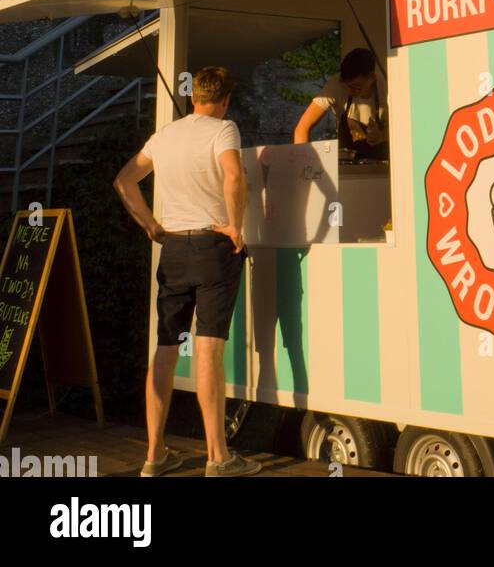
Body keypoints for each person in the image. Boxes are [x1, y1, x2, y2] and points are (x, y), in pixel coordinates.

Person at [113, 65, 261, 478]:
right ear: (226, 100)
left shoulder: (164, 135)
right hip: (214, 246)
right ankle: (218, 457)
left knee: (165, 349)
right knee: (209, 350)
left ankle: (154, 455)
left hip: (173, 248)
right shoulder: (224, 129)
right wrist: (236, 225)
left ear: (193, 97)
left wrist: (151, 225)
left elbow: (124, 181)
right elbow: (233, 175)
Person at [293, 47, 388, 158]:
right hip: (348, 158)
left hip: (384, 159)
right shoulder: (336, 84)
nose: (350, 91)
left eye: (357, 87)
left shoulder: (387, 85)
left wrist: (382, 135)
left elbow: (406, 127)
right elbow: (302, 127)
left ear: (372, 77)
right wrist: (303, 163)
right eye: (347, 85)